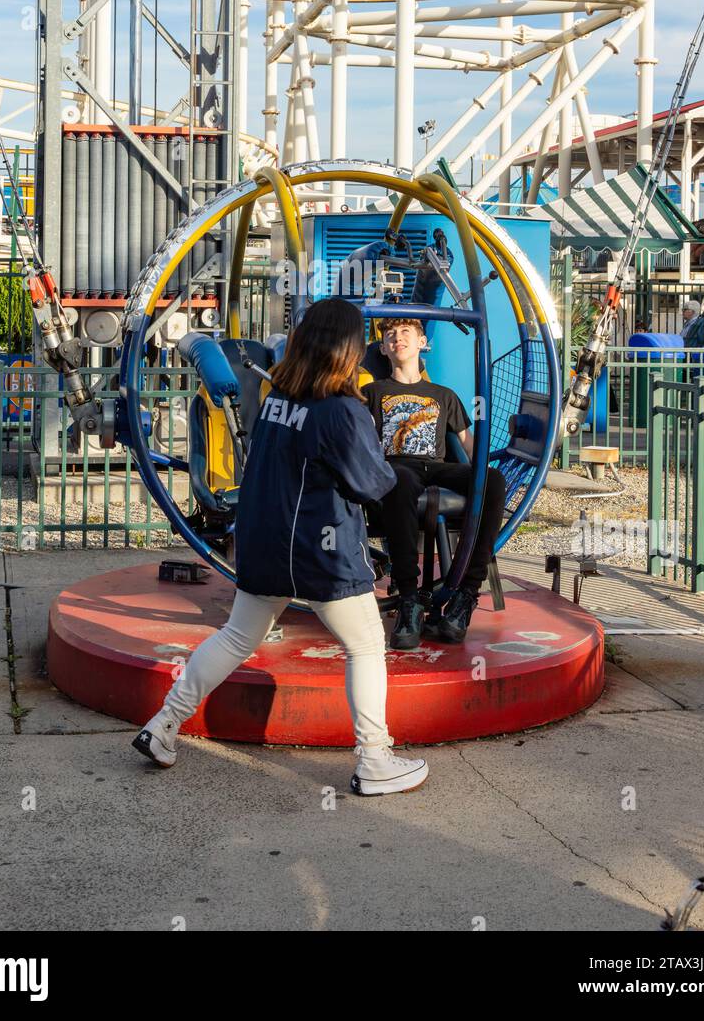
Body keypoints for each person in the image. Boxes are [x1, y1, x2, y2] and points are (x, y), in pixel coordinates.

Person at [133, 297, 430, 797]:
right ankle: (375, 759)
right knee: (365, 645)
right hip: (322, 549)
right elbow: (372, 483)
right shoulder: (340, 409)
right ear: (348, 348)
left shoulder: (277, 398)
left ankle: (163, 724)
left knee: (235, 637)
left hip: (265, 542)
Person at [362, 317, 506, 651]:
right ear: (382, 348)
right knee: (397, 480)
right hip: (397, 467)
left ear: (422, 343)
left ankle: (466, 595)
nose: (398, 338)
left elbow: (469, 448)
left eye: (406, 333)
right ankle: (410, 599)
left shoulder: (443, 395)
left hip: (437, 467)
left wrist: (489, 464)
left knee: (493, 480)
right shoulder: (371, 393)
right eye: (390, 335)